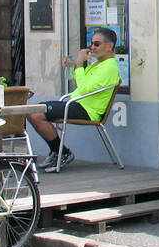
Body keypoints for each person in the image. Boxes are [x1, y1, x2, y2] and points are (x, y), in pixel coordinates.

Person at [29, 27, 120, 172]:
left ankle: (62, 153)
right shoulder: (98, 64)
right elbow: (82, 83)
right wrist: (73, 65)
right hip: (77, 104)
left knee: (36, 114)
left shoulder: (108, 68)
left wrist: (79, 64)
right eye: (91, 43)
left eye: (97, 44)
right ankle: (58, 151)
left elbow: (84, 88)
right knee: (36, 109)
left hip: (87, 111)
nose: (92, 47)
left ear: (109, 46)